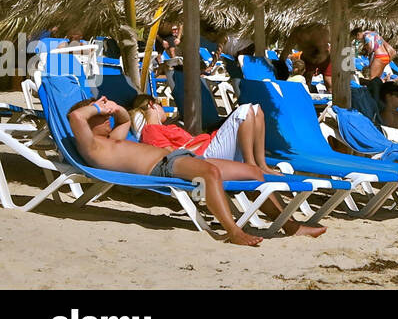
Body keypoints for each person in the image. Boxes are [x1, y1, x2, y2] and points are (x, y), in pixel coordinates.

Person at [71, 96, 325, 245]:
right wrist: (96, 107)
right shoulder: (92, 146)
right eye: (101, 117)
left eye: (107, 116)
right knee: (209, 174)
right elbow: (76, 118)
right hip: (162, 167)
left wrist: (112, 107)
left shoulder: (113, 137)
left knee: (254, 172)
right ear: (89, 120)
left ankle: (290, 225)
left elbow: (125, 119)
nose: (108, 119)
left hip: (177, 157)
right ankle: (233, 231)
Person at [132, 94, 277, 175]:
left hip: (212, 149)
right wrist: (198, 143)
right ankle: (251, 165)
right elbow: (172, 156)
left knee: (257, 110)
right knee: (244, 111)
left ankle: (261, 165)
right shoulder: (150, 130)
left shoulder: (168, 127)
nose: (163, 110)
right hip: (206, 157)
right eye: (160, 105)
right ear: (152, 105)